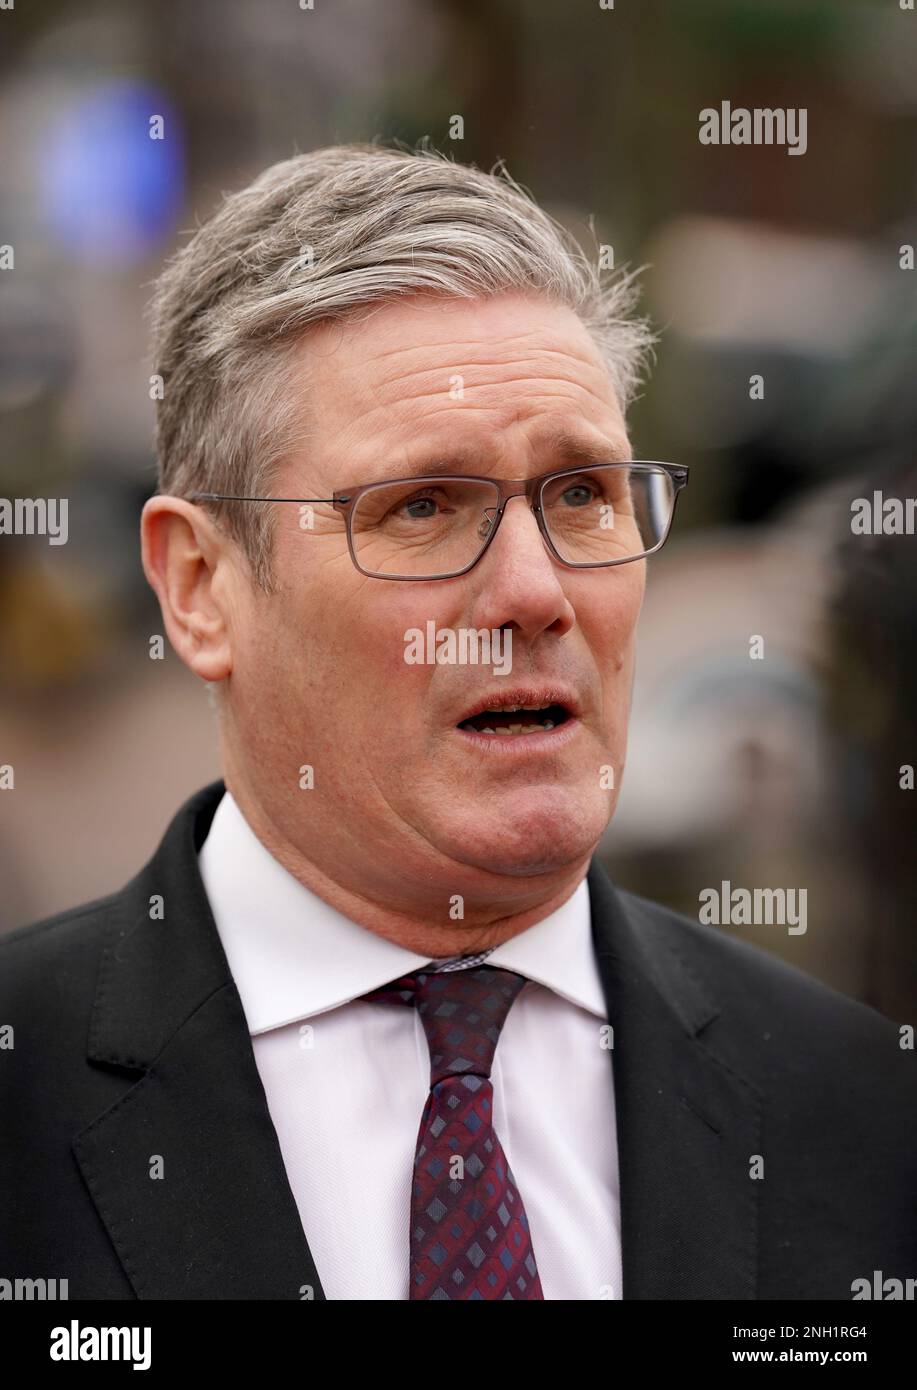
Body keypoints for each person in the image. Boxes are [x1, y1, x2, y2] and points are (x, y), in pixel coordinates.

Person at [1, 144, 914, 1301]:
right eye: (423, 506)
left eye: (581, 493)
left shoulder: (856, 1113)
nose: (536, 594)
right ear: (199, 585)